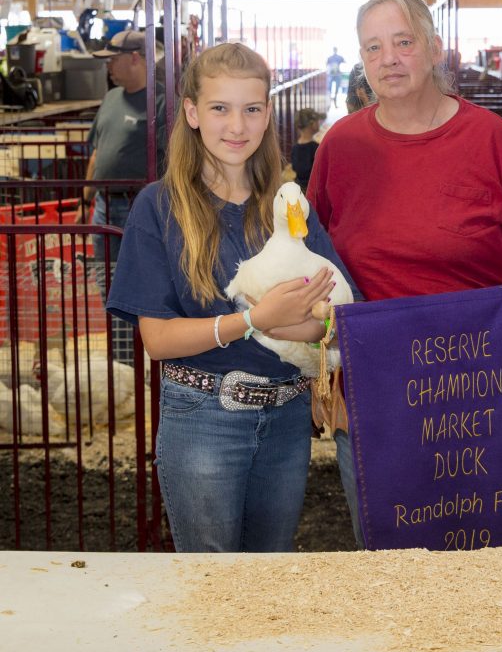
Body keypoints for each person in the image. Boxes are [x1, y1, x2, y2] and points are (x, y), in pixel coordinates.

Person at [307, 0, 502, 548]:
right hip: (377, 393)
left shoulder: (490, 138)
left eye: (403, 42)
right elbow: (312, 253)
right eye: (373, 46)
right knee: (393, 559)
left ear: (434, 49)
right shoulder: (340, 146)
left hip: (483, 389)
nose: (389, 59)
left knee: (496, 551)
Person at [105, 43, 355, 553]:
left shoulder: (289, 208)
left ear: (268, 115)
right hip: (203, 417)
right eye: (220, 108)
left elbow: (338, 318)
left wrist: (302, 327)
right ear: (193, 114)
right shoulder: (159, 207)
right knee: (212, 584)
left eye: (252, 109)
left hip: (287, 417)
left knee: (267, 575)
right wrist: (258, 320)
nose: (237, 126)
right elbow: (158, 340)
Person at [75, 29, 166, 363]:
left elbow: (170, 161)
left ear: (135, 58)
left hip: (138, 209)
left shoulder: (159, 101)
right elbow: (98, 152)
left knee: (144, 282)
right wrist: (86, 199)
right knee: (108, 284)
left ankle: (155, 357)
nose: (109, 67)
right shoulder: (111, 98)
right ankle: (123, 361)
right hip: (103, 207)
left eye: (113, 59)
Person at [290, 107, 323, 192]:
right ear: (312, 124)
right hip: (313, 191)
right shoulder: (316, 148)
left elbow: (295, 168)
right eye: (317, 121)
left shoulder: (294, 148)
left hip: (299, 190)